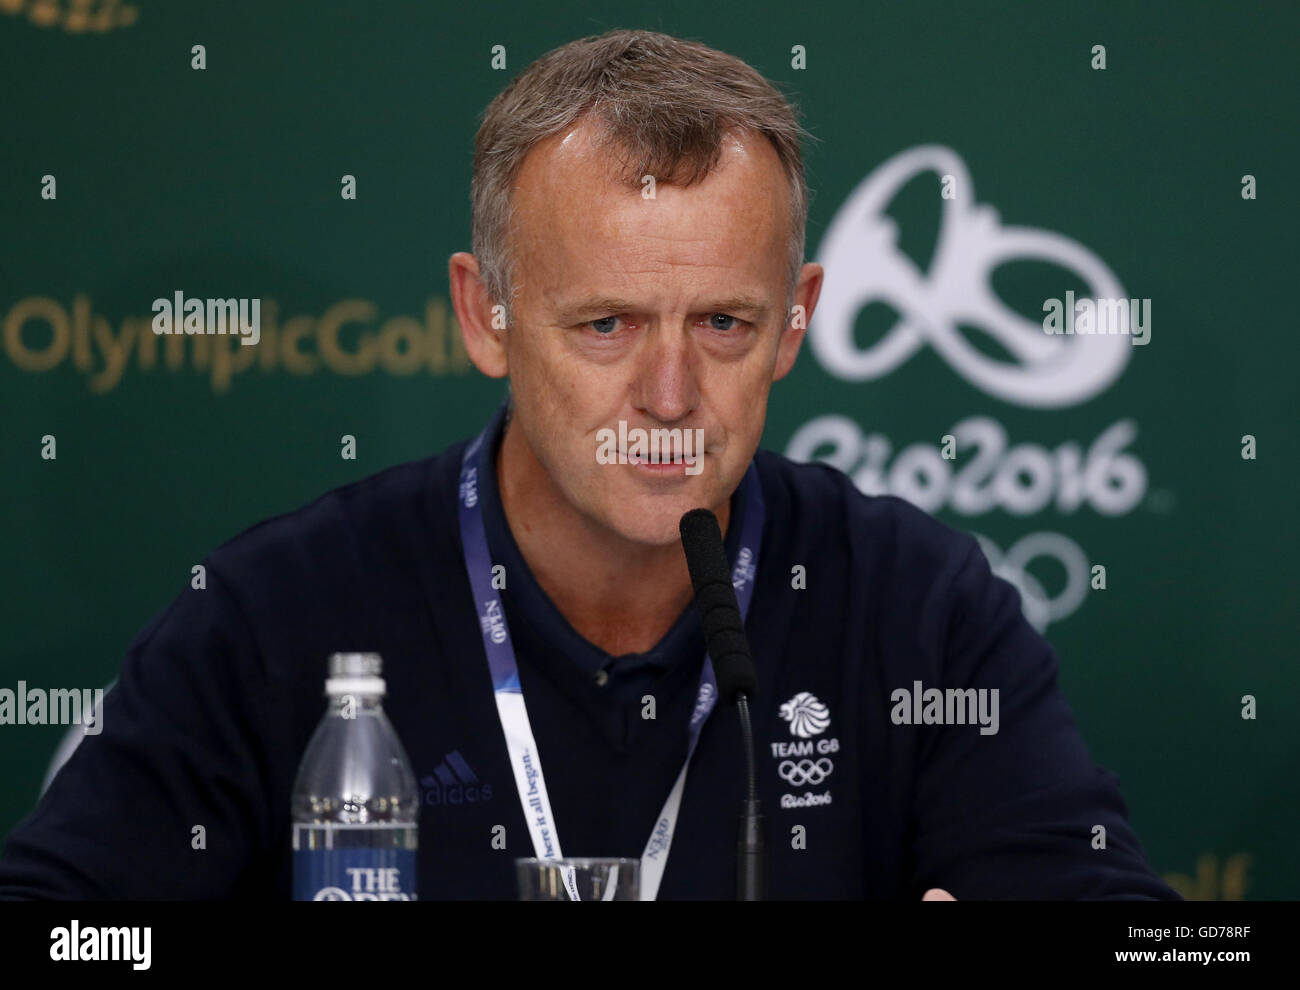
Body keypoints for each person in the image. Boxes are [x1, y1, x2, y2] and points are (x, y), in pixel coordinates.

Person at [0, 28, 1177, 900]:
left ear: (798, 320)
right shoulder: (275, 613)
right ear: (484, 314)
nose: (669, 398)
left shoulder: (917, 604)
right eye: (605, 325)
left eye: (723, 323)